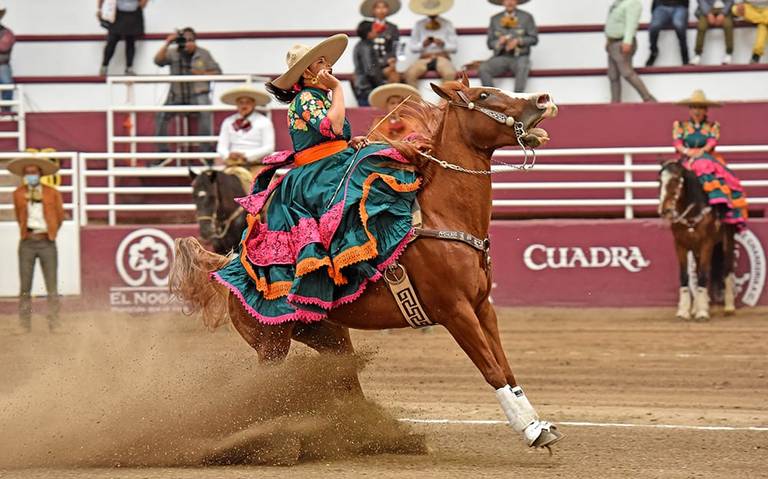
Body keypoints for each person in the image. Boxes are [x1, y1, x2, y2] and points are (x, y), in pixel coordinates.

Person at [212, 34, 420, 323]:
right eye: (321, 62)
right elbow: (331, 127)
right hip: (315, 176)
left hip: (330, 165)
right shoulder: (306, 98)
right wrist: (338, 88)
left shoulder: (319, 97)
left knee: (377, 160)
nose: (329, 66)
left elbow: (335, 136)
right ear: (307, 71)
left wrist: (350, 142)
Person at [673, 89, 747, 228]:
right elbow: (677, 143)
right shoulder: (681, 126)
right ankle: (671, 209)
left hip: (706, 157)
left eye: (700, 107)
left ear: (706, 110)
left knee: (707, 167)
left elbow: (712, 142)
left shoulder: (712, 126)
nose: (697, 111)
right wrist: (688, 152)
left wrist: (700, 153)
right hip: (687, 156)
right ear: (689, 110)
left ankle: (721, 204)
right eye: (694, 107)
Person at [7, 156, 65, 333]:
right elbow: (19, 216)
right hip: (28, 241)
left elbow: (59, 216)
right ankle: (24, 325)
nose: (31, 175)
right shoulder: (19, 194)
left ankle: (55, 323)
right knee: (25, 287)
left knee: (52, 286)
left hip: (46, 240)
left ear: (40, 174)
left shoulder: (52, 193)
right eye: (28, 173)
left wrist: (51, 231)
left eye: (33, 172)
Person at [153, 27, 222, 157]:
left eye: (191, 40)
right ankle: (162, 152)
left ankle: (206, 151)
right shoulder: (173, 52)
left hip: (198, 94)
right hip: (176, 95)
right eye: (184, 40)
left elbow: (218, 72)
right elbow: (158, 61)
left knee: (206, 112)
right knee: (160, 115)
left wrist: (202, 74)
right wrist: (167, 43)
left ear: (195, 41)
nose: (188, 43)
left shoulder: (204, 54)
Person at [216, 84, 275, 189]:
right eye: (241, 102)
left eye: (248, 102)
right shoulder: (228, 122)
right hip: (233, 165)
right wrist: (228, 155)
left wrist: (246, 155)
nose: (244, 105)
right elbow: (221, 146)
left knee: (265, 190)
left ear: (254, 103)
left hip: (255, 164)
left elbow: (269, 147)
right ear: (236, 104)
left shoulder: (264, 122)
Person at [478, 0, 538, 92]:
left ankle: (517, 98)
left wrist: (518, 41)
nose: (510, 2)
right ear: (502, 2)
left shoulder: (526, 17)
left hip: (520, 56)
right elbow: (490, 43)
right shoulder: (495, 19)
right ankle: (492, 97)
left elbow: (534, 39)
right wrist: (499, 42)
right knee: (483, 68)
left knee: (523, 67)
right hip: (501, 56)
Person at [605, 0, 657, 102]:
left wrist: (627, 41)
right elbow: (612, 22)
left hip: (622, 42)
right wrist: (609, 39)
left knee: (627, 72)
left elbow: (631, 24)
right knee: (613, 74)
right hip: (613, 42)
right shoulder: (618, 3)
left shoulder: (632, 3)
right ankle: (615, 101)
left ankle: (648, 99)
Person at [353, 0, 401, 106]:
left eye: (384, 7)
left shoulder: (393, 28)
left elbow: (395, 47)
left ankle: (393, 105)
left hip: (385, 64)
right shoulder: (366, 44)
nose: (381, 10)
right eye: (378, 7)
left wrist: (391, 61)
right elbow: (370, 67)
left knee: (394, 76)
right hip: (372, 71)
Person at [404, 0, 458, 87]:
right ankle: (415, 96)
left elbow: (454, 48)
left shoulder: (447, 23)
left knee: (449, 73)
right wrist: (423, 45)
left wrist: (443, 44)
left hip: (442, 57)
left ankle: (443, 96)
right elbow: (412, 48)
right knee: (410, 74)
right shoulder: (419, 24)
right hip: (425, 57)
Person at [98, 0, 148, 76]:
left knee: (130, 42)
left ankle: (129, 68)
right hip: (117, 13)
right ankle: (104, 66)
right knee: (112, 41)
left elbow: (143, 3)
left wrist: (142, 4)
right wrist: (101, 9)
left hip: (133, 13)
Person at [646, 0, 691, 66]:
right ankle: (654, 51)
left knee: (679, 26)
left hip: (680, 6)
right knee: (654, 26)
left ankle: (685, 54)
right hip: (661, 6)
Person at [691, 0, 735, 65]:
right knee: (701, 27)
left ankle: (729, 53)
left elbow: (730, 1)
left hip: (724, 8)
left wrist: (723, 13)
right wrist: (708, 13)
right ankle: (697, 54)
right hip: (707, 9)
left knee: (728, 25)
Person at [0, 6, 15, 111]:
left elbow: (4, 46)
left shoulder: (7, 33)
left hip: (2, 65)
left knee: (6, 83)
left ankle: (6, 110)